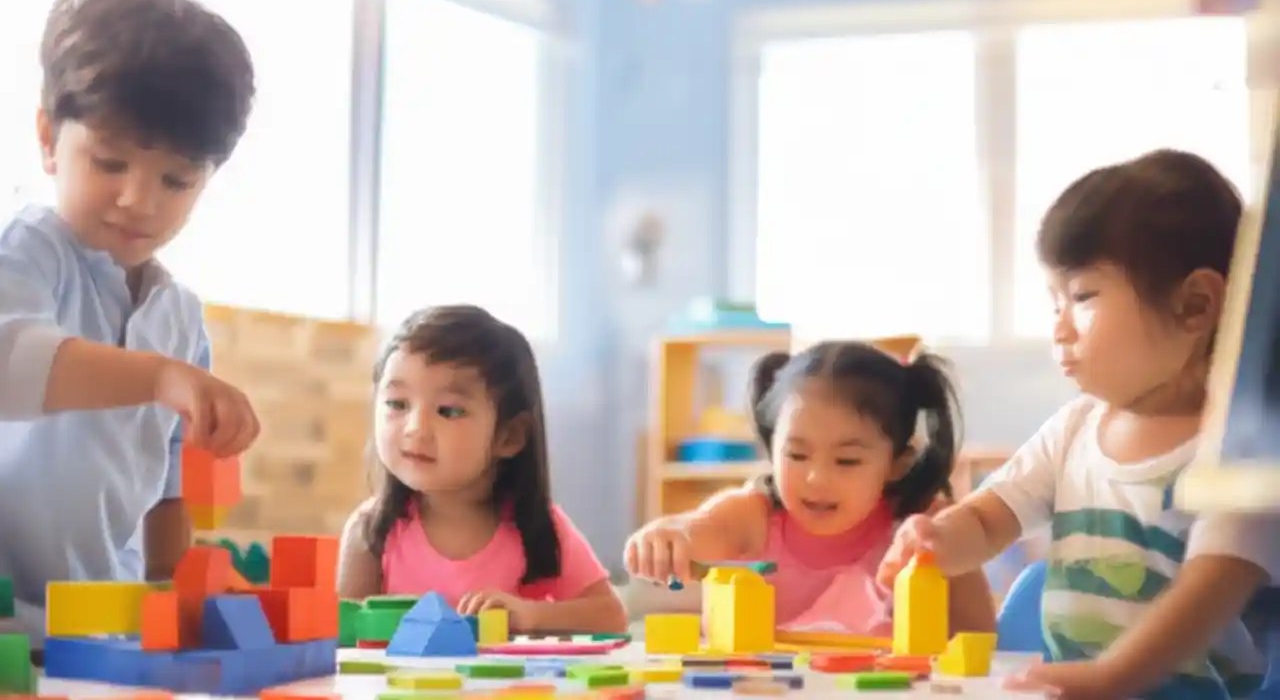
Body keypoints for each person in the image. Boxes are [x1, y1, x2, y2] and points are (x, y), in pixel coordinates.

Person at [878, 150, 1280, 699]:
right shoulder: (1072, 431)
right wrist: (938, 538)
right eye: (1053, 302)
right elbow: (992, 520)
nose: (1060, 329)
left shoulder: (1241, 451)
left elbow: (1214, 583)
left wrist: (1114, 676)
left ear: (1194, 304)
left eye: (1083, 296)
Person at [0, 0, 260, 642]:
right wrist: (158, 377)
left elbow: (170, 487)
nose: (140, 201)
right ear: (48, 138)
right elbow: (11, 363)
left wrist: (181, 591)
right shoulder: (29, 252)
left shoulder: (180, 317)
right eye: (110, 162)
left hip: (102, 632)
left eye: (176, 180)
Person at [625, 341, 996, 635]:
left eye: (846, 461)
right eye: (797, 455)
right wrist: (666, 536)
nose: (816, 478)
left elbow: (978, 636)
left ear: (897, 463)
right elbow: (697, 531)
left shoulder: (925, 528)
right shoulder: (753, 516)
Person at [336, 306, 627, 633]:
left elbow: (610, 616)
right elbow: (343, 639)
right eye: (397, 404)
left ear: (509, 436)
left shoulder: (539, 529)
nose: (415, 428)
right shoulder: (371, 531)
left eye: (448, 410)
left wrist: (529, 616)